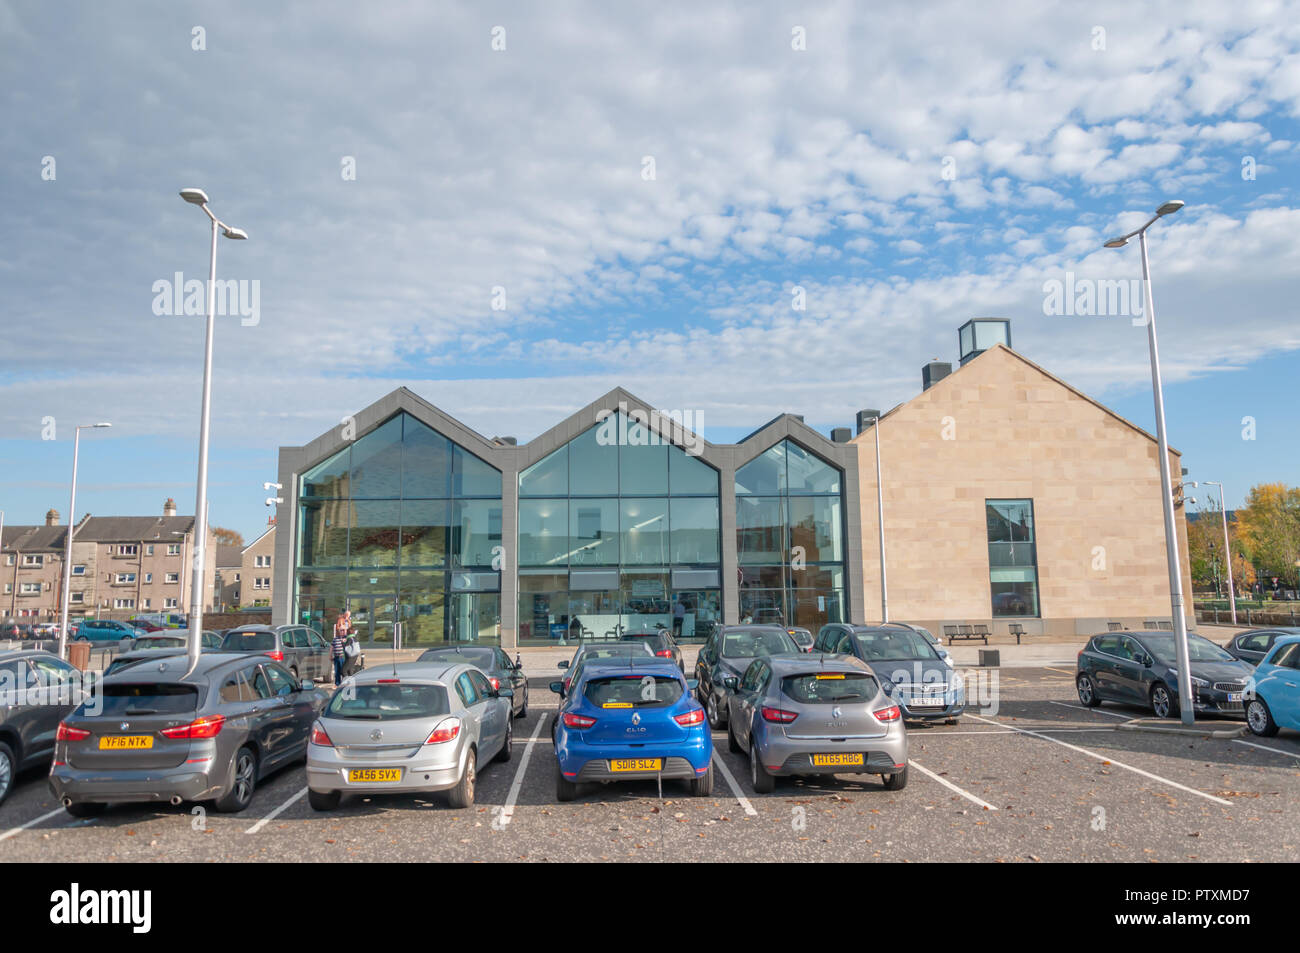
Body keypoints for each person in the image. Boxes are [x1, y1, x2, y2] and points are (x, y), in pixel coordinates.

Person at [331, 610, 351, 686]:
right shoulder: (340, 620)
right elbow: (337, 627)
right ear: (345, 614)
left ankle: (344, 683)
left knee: (343, 670)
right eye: (346, 615)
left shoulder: (348, 621)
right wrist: (341, 629)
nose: (347, 616)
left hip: (343, 655)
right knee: (337, 671)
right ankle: (337, 684)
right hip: (337, 655)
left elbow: (349, 628)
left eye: (348, 615)